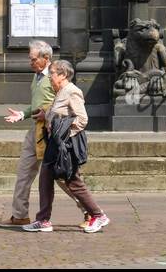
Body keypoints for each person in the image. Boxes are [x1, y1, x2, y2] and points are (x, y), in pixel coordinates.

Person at [24, 60, 109, 233]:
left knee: (72, 180)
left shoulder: (72, 91)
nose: (49, 77)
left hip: (65, 144)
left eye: (52, 73)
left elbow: (82, 119)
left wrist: (64, 134)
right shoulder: (60, 91)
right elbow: (60, 111)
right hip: (54, 143)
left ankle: (98, 215)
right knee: (45, 179)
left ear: (63, 75)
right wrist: (45, 114)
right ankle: (43, 220)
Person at [3, 40, 56, 227]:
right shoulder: (37, 76)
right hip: (34, 129)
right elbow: (37, 104)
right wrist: (23, 114)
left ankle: (90, 212)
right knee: (23, 172)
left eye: (34, 59)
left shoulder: (55, 76)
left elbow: (65, 102)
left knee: (64, 177)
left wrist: (48, 114)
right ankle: (19, 215)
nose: (30, 63)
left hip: (50, 131)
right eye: (30, 59)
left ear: (46, 58)